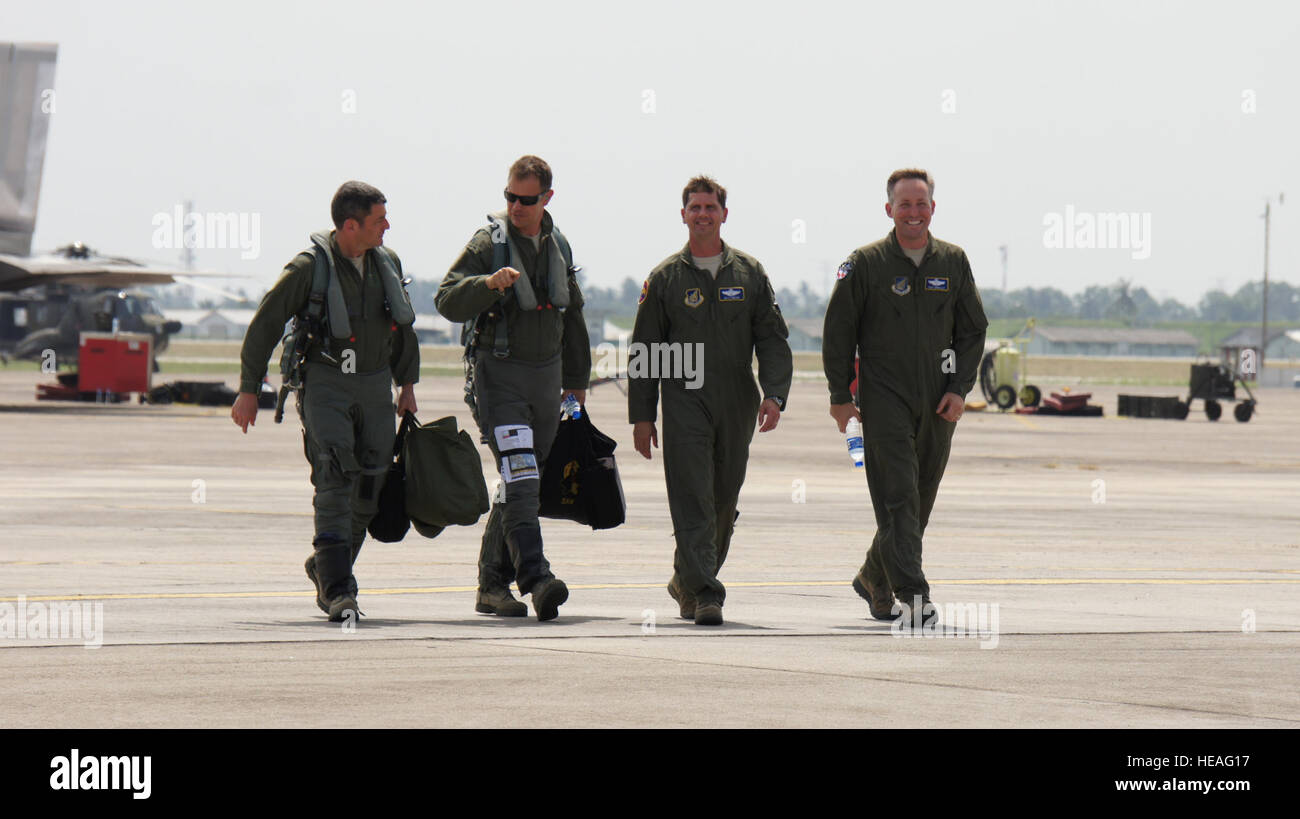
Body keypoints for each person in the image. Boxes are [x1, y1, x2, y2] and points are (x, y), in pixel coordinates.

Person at [232, 181, 419, 622]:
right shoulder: (308, 268)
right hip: (327, 383)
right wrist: (247, 388)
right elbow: (266, 324)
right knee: (335, 476)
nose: (386, 227)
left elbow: (402, 328)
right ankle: (339, 590)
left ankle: (327, 566)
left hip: (375, 384)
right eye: (378, 220)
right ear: (350, 225)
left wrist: (406, 385)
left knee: (372, 484)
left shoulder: (386, 263)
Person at [822, 168, 987, 627]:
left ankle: (875, 576)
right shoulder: (866, 263)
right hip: (883, 397)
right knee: (897, 496)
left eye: (921, 203)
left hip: (938, 400)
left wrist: (959, 389)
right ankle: (913, 594)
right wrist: (841, 396)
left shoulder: (953, 261)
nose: (913, 212)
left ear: (933, 208)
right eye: (904, 204)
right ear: (889, 209)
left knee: (920, 497)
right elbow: (838, 332)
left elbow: (973, 330)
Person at [628, 176, 792, 626]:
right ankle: (706, 592)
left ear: (724, 214)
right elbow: (644, 350)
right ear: (683, 215)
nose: (703, 214)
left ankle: (686, 578)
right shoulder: (664, 279)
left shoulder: (750, 273)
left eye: (710, 207)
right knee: (691, 495)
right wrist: (643, 417)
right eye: (694, 207)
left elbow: (772, 340)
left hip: (737, 400)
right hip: (683, 400)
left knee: (723, 497)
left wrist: (775, 393)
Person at [435, 155, 590, 622]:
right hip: (500, 378)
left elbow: (574, 317)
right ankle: (538, 579)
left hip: (545, 384)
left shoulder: (557, 244)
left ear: (546, 198)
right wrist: (487, 284)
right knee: (522, 479)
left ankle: (491, 586)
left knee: (523, 483)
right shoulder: (489, 244)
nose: (516, 206)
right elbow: (446, 299)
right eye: (510, 197)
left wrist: (577, 384)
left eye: (526, 199)